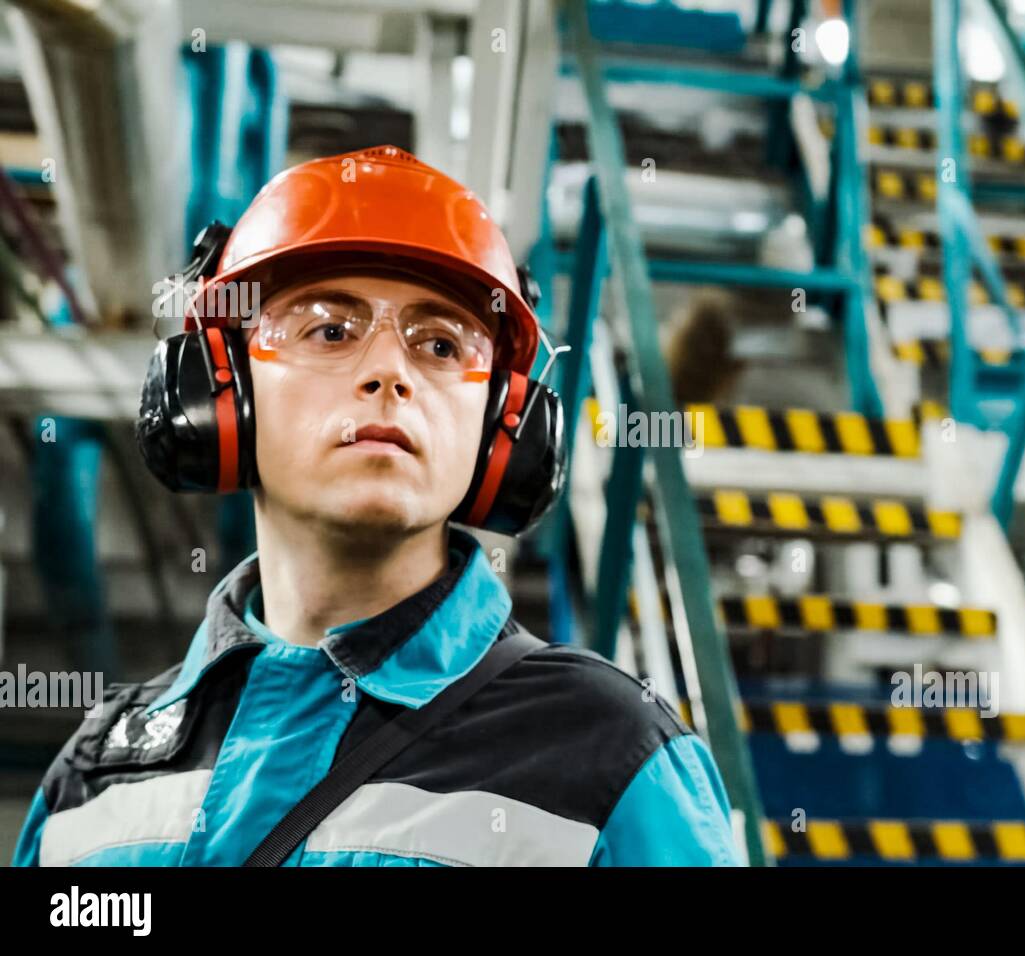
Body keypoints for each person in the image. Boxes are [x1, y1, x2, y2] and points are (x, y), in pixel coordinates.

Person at [11, 145, 742, 867]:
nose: (390, 372)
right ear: (218, 390)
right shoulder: (96, 779)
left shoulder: (609, 757)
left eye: (441, 345)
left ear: (502, 426)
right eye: (330, 329)